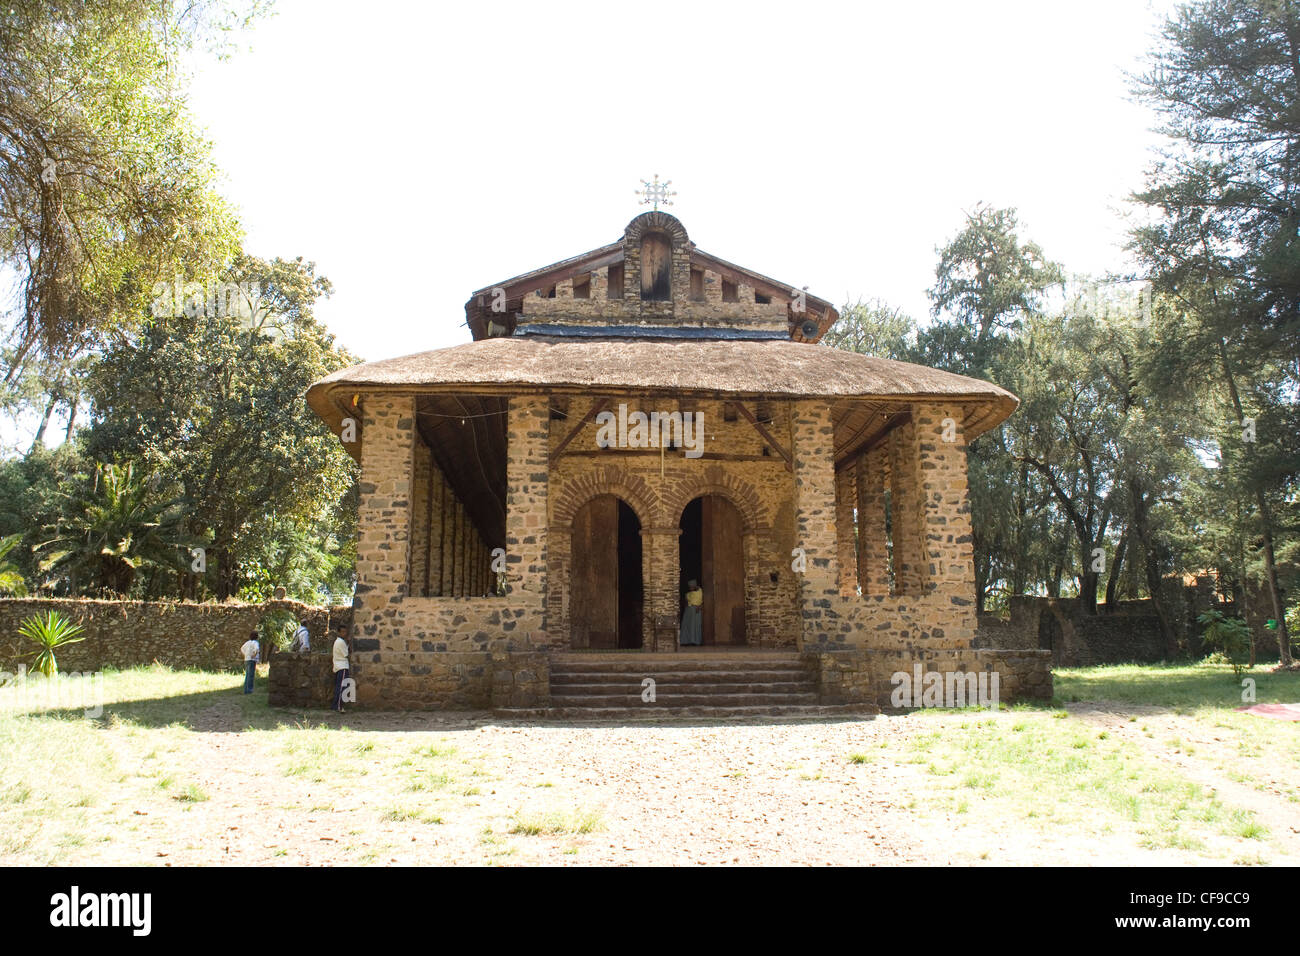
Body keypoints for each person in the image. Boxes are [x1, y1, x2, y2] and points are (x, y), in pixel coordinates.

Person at [331, 624, 350, 712]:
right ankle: (338, 706)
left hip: (340, 667)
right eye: (342, 632)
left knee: (340, 686)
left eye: (345, 632)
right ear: (338, 633)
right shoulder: (341, 642)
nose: (344, 633)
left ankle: (335, 705)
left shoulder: (339, 641)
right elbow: (346, 654)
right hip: (342, 666)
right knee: (341, 687)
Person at [680, 579, 703, 647]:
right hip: (688, 611)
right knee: (687, 626)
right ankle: (686, 641)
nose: (691, 588)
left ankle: (695, 641)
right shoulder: (688, 594)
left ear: (695, 586)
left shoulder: (700, 591)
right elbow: (686, 603)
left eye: (692, 587)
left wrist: (700, 606)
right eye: (690, 587)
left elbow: (702, 601)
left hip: (696, 610)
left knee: (695, 626)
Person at [240, 630, 260, 694]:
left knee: (247, 675)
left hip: (246, 659)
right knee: (251, 675)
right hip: (252, 660)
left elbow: (242, 648)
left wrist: (245, 655)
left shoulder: (247, 642)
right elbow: (257, 649)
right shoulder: (255, 643)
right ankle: (249, 690)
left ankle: (246, 690)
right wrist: (254, 655)